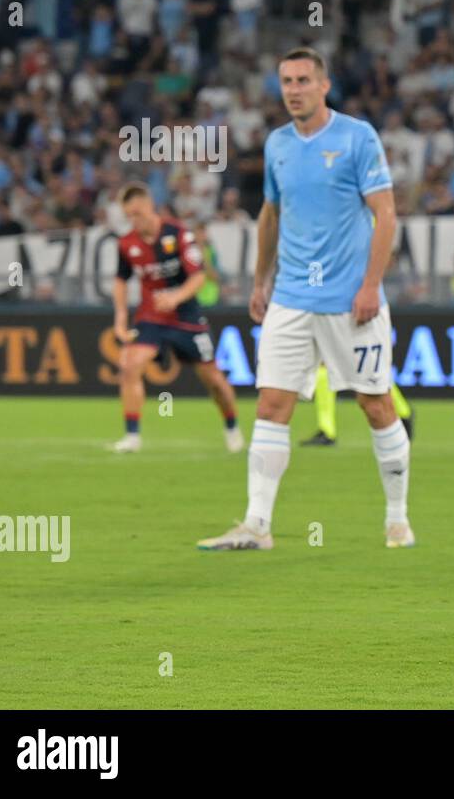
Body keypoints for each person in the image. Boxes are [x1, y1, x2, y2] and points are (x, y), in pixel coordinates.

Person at [198, 47, 415, 551]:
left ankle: (397, 518)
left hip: (349, 300)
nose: (293, 89)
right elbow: (271, 214)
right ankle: (257, 525)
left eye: (301, 80)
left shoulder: (358, 137)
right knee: (272, 403)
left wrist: (369, 285)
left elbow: (385, 214)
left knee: (375, 404)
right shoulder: (276, 144)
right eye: (286, 81)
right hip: (291, 297)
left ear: (324, 85)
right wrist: (259, 281)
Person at [110, 183, 242, 454]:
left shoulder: (179, 233)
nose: (134, 220)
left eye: (137, 214)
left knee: (214, 380)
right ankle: (132, 437)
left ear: (150, 206)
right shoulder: (126, 244)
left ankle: (232, 427)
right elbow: (121, 281)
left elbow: (198, 276)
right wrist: (121, 318)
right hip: (151, 317)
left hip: (186, 316)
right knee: (130, 364)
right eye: (129, 216)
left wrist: (176, 297)